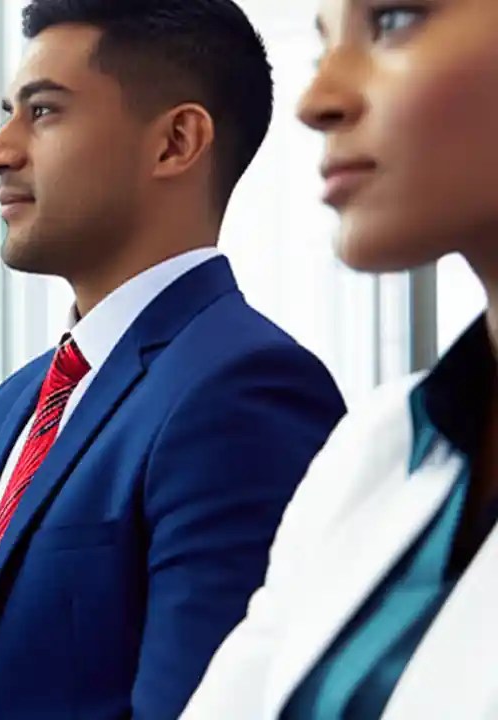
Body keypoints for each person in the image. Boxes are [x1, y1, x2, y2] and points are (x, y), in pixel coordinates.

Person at [0, 1, 349, 718]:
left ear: (176, 142)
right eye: (6, 113)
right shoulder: (15, 403)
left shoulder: (245, 390)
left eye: (45, 112)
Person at [182, 1, 498, 717]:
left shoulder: (251, 388)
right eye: (326, 41)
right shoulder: (375, 445)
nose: (317, 101)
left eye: (392, 21)